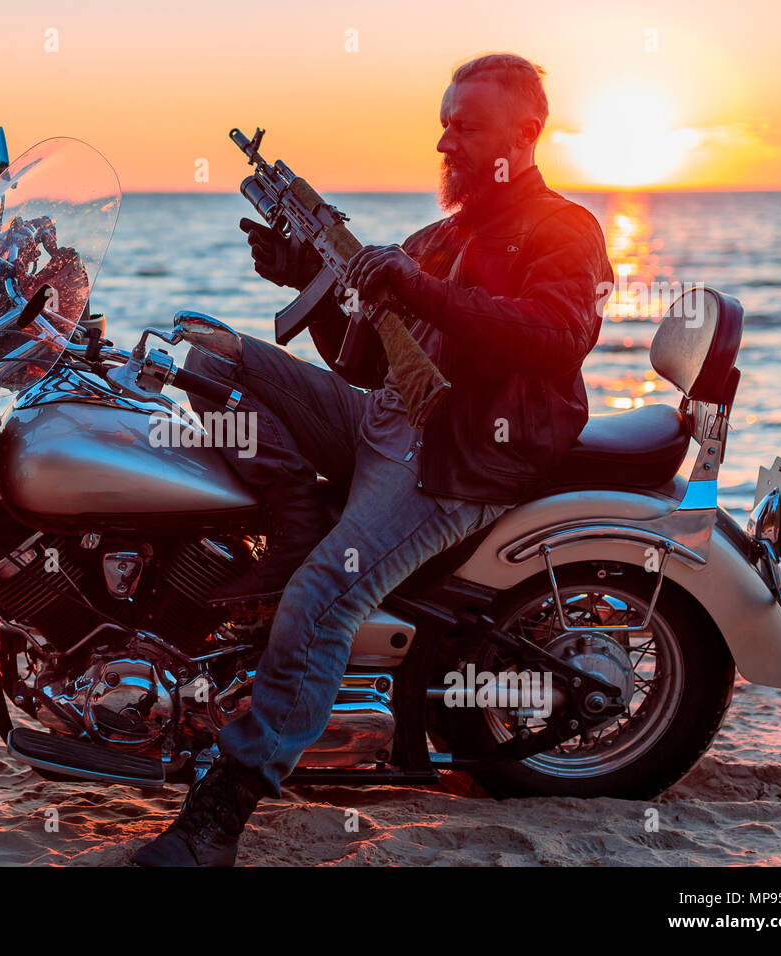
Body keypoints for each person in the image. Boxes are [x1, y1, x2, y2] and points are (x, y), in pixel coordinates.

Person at [131, 53, 614, 866]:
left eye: (466, 125)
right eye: (444, 122)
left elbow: (556, 334)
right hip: (383, 418)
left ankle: (222, 812)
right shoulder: (443, 234)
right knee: (210, 353)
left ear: (525, 133)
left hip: (456, 457)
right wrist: (308, 278)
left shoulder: (563, 230)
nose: (446, 141)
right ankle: (294, 519)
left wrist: (416, 289)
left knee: (322, 601)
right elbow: (360, 361)